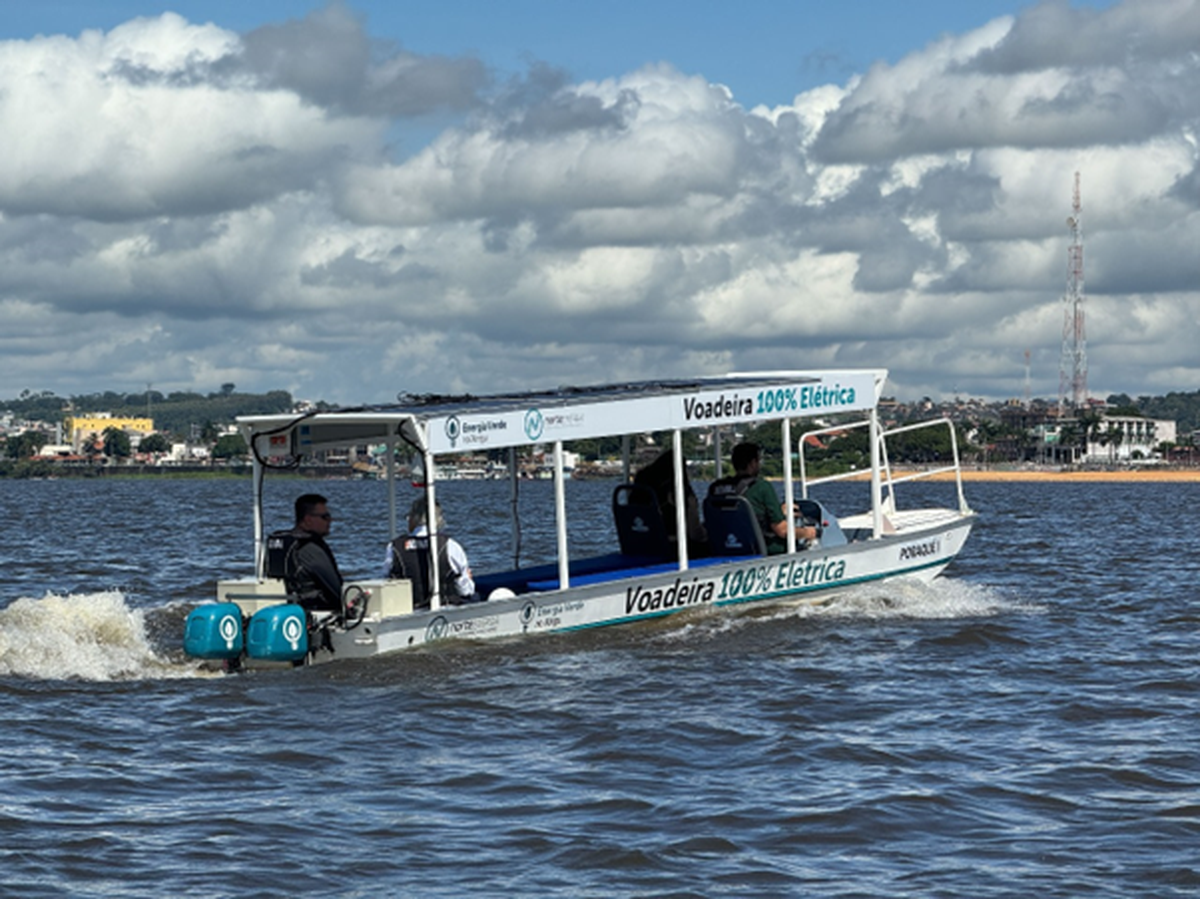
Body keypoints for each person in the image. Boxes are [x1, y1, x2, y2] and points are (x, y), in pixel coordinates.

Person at [708, 442, 816, 555]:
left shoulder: (716, 488)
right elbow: (782, 530)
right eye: (758, 461)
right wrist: (808, 532)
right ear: (753, 463)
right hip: (761, 549)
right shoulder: (761, 487)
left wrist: (779, 511)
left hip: (726, 546)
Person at [383, 496, 477, 608]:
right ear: (439, 520)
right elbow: (465, 590)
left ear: (413, 519)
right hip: (446, 609)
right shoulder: (450, 546)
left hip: (408, 609)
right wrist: (469, 580)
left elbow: (385, 581)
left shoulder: (394, 548)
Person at [633, 448, 708, 556]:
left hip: (644, 542)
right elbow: (694, 532)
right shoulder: (679, 493)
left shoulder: (640, 488)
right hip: (675, 546)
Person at [282, 493, 344, 612]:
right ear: (308, 520)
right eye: (325, 517)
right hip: (318, 612)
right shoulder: (310, 549)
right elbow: (337, 589)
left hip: (295, 608)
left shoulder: (288, 544)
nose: (330, 520)